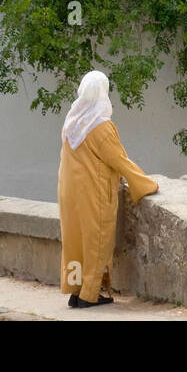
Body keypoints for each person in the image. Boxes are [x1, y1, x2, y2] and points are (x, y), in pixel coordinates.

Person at [57, 70, 159, 308]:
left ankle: (75, 290)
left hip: (69, 191)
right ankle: (89, 295)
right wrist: (144, 184)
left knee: (75, 241)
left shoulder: (73, 120)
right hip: (93, 192)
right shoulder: (101, 126)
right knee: (97, 241)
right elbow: (119, 160)